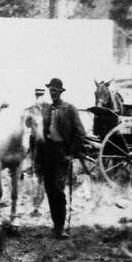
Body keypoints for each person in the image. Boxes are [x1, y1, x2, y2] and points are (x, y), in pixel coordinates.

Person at [37, 78, 85, 239]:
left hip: (62, 153)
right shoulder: (47, 109)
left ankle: (61, 226)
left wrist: (71, 153)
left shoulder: (69, 109)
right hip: (47, 153)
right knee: (50, 190)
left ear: (61, 92)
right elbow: (42, 133)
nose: (53, 94)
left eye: (56, 91)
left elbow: (80, 133)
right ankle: (55, 225)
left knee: (59, 190)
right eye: (51, 91)